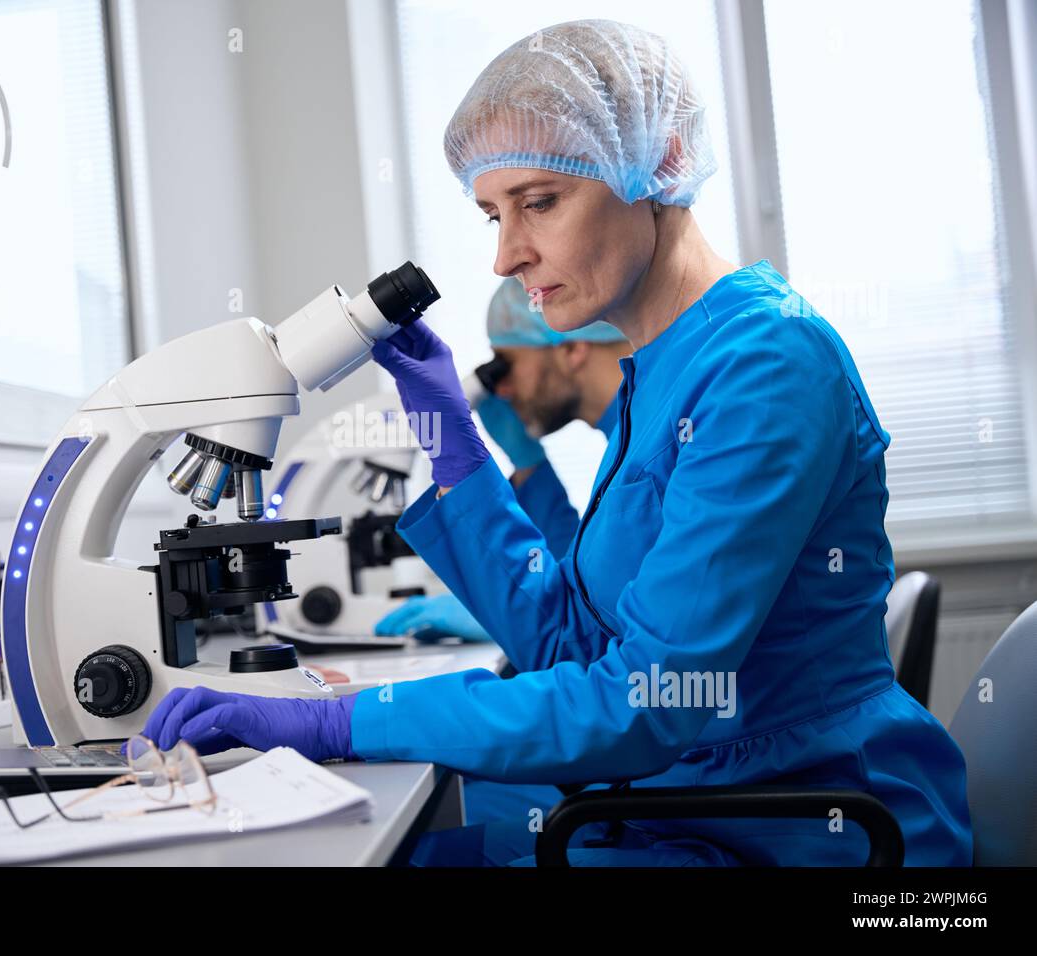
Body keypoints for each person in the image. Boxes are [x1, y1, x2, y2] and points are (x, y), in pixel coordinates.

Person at [139, 18, 972, 867]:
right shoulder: (662, 367)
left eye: (539, 202)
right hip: (688, 798)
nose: (505, 254)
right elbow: (568, 644)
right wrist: (452, 439)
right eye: (491, 214)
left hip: (798, 828)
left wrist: (336, 720)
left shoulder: (766, 366)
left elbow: (646, 701)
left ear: (661, 165)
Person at [374, 275, 629, 642]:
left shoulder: (645, 451)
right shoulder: (626, 437)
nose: (503, 388)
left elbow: (596, 629)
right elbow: (575, 576)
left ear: (571, 348)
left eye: (506, 363)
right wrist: (528, 463)